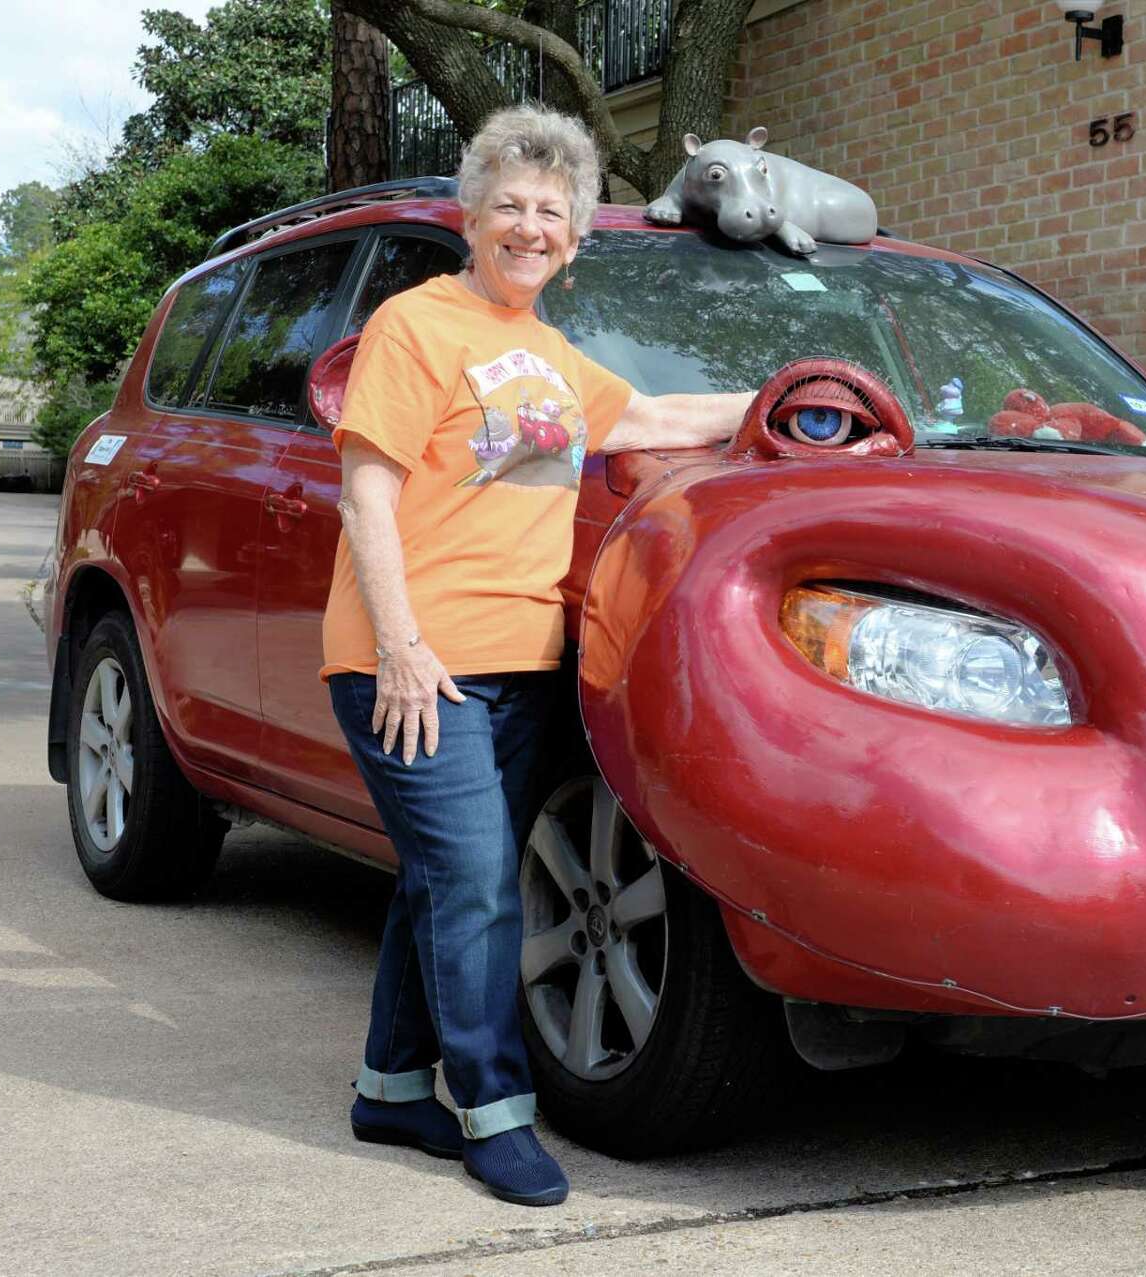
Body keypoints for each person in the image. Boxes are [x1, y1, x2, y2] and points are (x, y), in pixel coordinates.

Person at [320, 103, 752, 1207]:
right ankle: (493, 1109)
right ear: (469, 216)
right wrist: (402, 646)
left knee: (441, 882)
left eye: (550, 211)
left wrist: (785, 399)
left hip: (518, 659)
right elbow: (366, 486)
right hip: (415, 662)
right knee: (475, 884)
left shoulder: (550, 353)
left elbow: (650, 413)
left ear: (575, 234)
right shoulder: (417, 327)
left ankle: (388, 1086)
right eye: (508, 204)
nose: (528, 226)